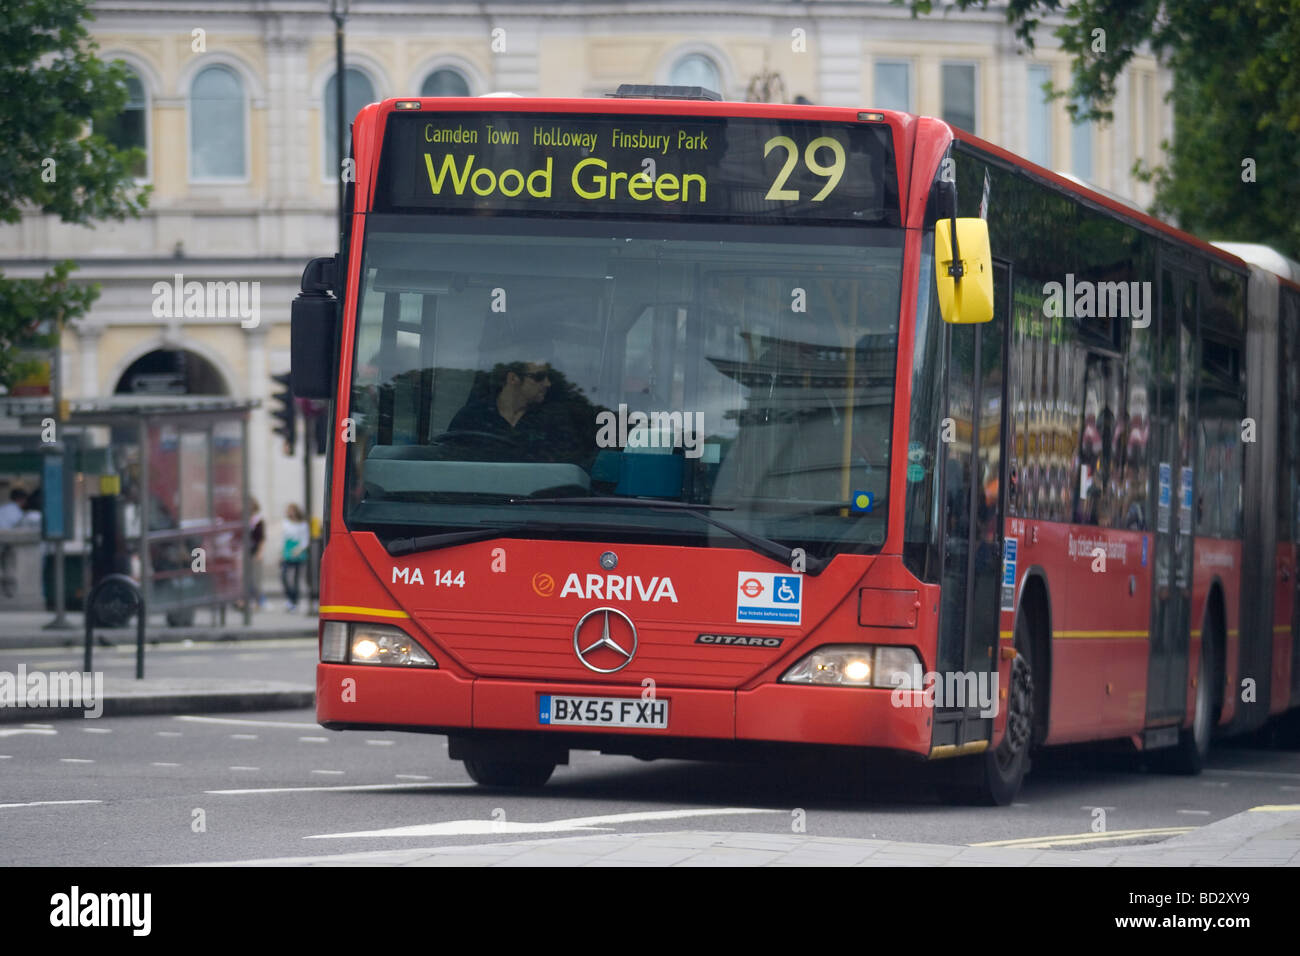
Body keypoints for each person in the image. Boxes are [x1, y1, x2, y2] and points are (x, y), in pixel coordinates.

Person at [445, 360, 553, 456]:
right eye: (539, 377)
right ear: (512, 378)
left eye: (548, 377)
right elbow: (449, 460)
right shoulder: (471, 417)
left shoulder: (548, 420)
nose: (548, 384)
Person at [280, 503, 309, 612]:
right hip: (287, 552)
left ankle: (294, 601)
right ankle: (289, 598)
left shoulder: (302, 524)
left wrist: (300, 549)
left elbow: (305, 539)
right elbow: (283, 539)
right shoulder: (286, 523)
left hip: (298, 552)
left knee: (296, 578)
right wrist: (281, 552)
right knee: (284, 576)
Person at [245, 498, 266, 610]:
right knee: (245, 579)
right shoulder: (243, 520)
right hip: (244, 553)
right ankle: (246, 601)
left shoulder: (258, 521)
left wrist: (259, 552)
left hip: (255, 552)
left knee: (255, 579)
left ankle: (259, 601)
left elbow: (262, 538)